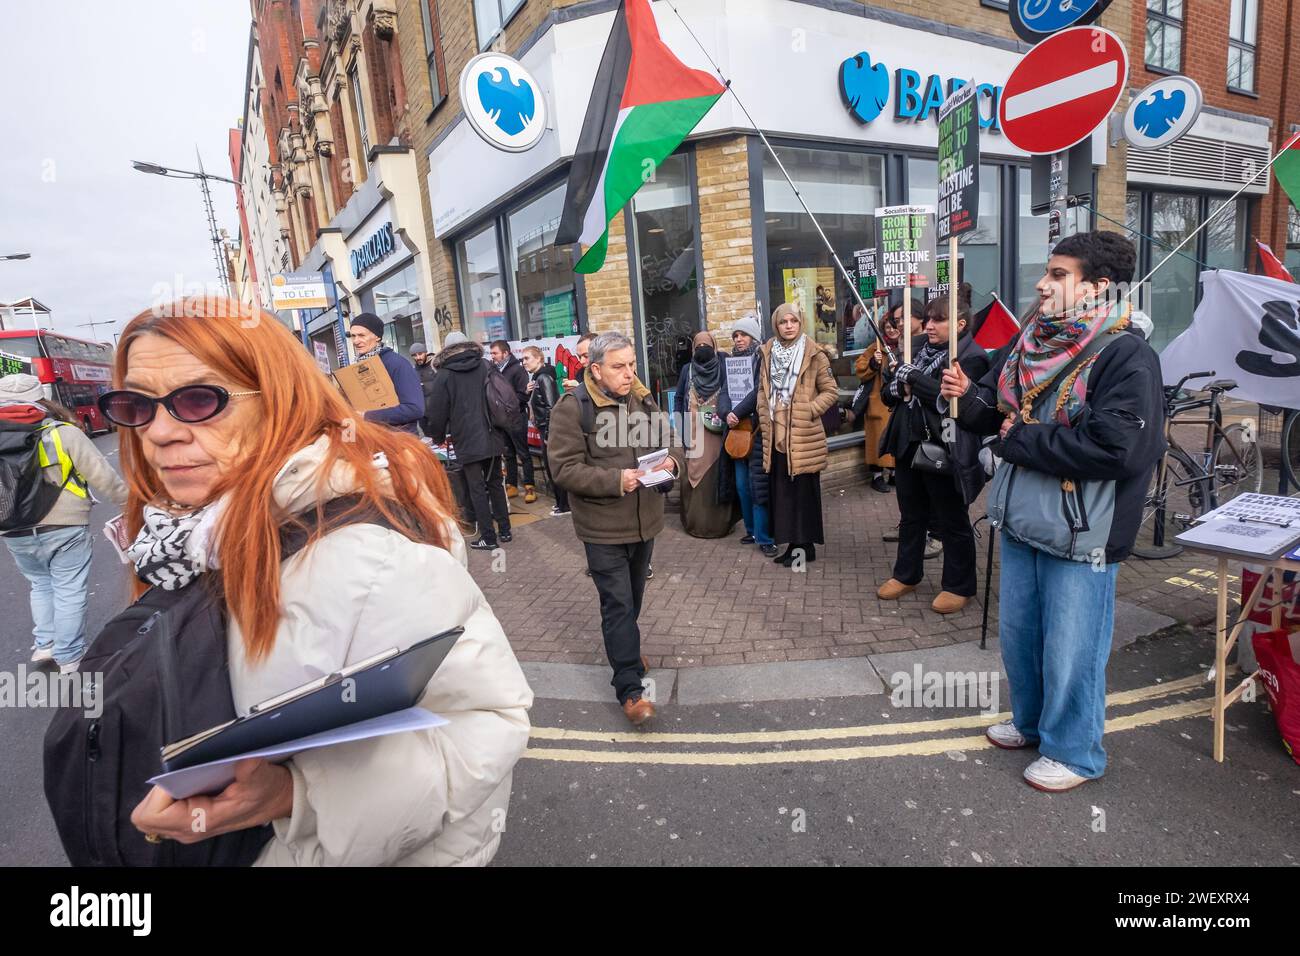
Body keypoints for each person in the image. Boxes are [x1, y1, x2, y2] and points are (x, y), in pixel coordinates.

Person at [102, 296, 531, 864]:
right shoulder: (179, 536)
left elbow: (483, 729)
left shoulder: (371, 557)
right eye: (137, 405)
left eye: (198, 400)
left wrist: (293, 796)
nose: (159, 432)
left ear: (279, 401)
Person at [940, 231, 1165, 792]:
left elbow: (1118, 449)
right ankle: (1032, 722)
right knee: (1023, 635)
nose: (1043, 284)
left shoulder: (1126, 354)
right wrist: (963, 395)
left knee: (1072, 645)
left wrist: (1020, 439)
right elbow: (991, 413)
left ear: (1098, 287)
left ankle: (1076, 751)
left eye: (1059, 275)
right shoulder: (1030, 342)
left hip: (1082, 532)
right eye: (1047, 271)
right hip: (1021, 518)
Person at [548, 331, 680, 725]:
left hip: (645, 523)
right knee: (618, 603)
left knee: (633, 599)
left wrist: (673, 463)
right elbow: (563, 469)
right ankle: (629, 688)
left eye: (632, 365)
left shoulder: (642, 396)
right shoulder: (572, 408)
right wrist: (613, 481)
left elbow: (669, 439)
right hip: (603, 528)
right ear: (596, 369)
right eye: (619, 367)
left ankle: (627, 647)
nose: (628, 374)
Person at [0, 375, 128, 673]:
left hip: (14, 527)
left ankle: (45, 644)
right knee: (68, 586)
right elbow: (102, 476)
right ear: (41, 398)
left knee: (40, 584)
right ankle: (69, 655)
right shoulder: (61, 433)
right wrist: (131, 505)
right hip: (64, 523)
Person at [876, 295, 989, 615]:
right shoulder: (913, 349)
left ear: (961, 324)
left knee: (951, 519)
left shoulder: (972, 357)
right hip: (908, 443)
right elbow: (888, 392)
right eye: (926, 319)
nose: (928, 326)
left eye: (937, 320)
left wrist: (911, 377)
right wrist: (900, 385)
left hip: (945, 447)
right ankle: (906, 574)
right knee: (911, 516)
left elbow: (948, 398)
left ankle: (958, 585)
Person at [756, 303, 838, 567]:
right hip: (777, 436)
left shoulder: (814, 354)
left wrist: (809, 409)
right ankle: (793, 545)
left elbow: (830, 392)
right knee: (783, 496)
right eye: (783, 322)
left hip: (803, 438)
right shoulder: (768, 354)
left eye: (793, 321)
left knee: (803, 495)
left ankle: (805, 548)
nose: (789, 325)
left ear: (800, 323)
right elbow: (762, 391)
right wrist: (762, 413)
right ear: (776, 325)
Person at [429, 332, 512, 550]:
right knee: (495, 484)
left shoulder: (444, 375)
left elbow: (437, 411)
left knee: (476, 489)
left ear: (446, 350)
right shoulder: (485, 365)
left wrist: (437, 436)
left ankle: (488, 537)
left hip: (466, 439)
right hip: (493, 434)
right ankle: (505, 530)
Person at [673, 330, 738, 538]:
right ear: (693, 349)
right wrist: (679, 424)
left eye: (706, 346)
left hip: (717, 433)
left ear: (715, 347)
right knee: (692, 474)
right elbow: (679, 396)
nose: (702, 350)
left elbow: (733, 392)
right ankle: (695, 524)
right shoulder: (687, 370)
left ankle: (719, 524)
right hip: (693, 433)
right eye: (698, 347)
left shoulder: (723, 366)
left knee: (717, 474)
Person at [722, 312, 776, 556]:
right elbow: (723, 391)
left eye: (743, 334)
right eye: (735, 335)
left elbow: (759, 390)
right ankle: (751, 530)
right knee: (742, 486)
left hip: (756, 432)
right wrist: (726, 413)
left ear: (753, 337)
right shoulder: (731, 362)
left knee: (758, 488)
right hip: (737, 433)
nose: (738, 339)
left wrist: (737, 412)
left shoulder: (763, 360)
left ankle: (765, 537)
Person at [345, 313, 424, 434]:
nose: (356, 341)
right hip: (371, 444)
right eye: (353, 336)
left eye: (361, 335)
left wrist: (368, 416)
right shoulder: (354, 369)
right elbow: (350, 413)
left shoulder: (398, 364)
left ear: (377, 337)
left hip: (399, 445)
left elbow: (415, 409)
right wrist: (348, 441)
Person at [850, 307, 901, 494]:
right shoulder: (876, 347)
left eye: (894, 327)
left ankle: (894, 475)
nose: (891, 330)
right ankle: (877, 477)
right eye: (887, 327)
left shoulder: (906, 346)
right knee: (878, 440)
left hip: (898, 402)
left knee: (896, 438)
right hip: (878, 403)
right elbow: (860, 370)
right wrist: (873, 363)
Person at [521, 345, 568, 516]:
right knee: (550, 468)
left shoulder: (544, 378)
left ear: (539, 358)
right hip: (544, 428)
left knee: (554, 467)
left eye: (527, 358)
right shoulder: (537, 378)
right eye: (523, 359)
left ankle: (564, 505)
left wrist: (548, 433)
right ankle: (561, 503)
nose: (524, 362)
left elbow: (551, 407)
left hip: (547, 430)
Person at [489, 339, 535, 502]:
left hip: (516, 418)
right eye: (491, 353)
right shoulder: (493, 370)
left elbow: (524, 394)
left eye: (495, 353)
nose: (492, 356)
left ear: (506, 353)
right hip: (501, 419)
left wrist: (506, 404)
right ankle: (512, 485)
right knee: (508, 454)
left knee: (523, 452)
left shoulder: (517, 370)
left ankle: (530, 487)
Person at [410, 341, 438, 438]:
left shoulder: (436, 366)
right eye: (414, 355)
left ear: (425, 352)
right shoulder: (413, 370)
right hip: (423, 415)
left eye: (420, 354)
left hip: (437, 413)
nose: (418, 357)